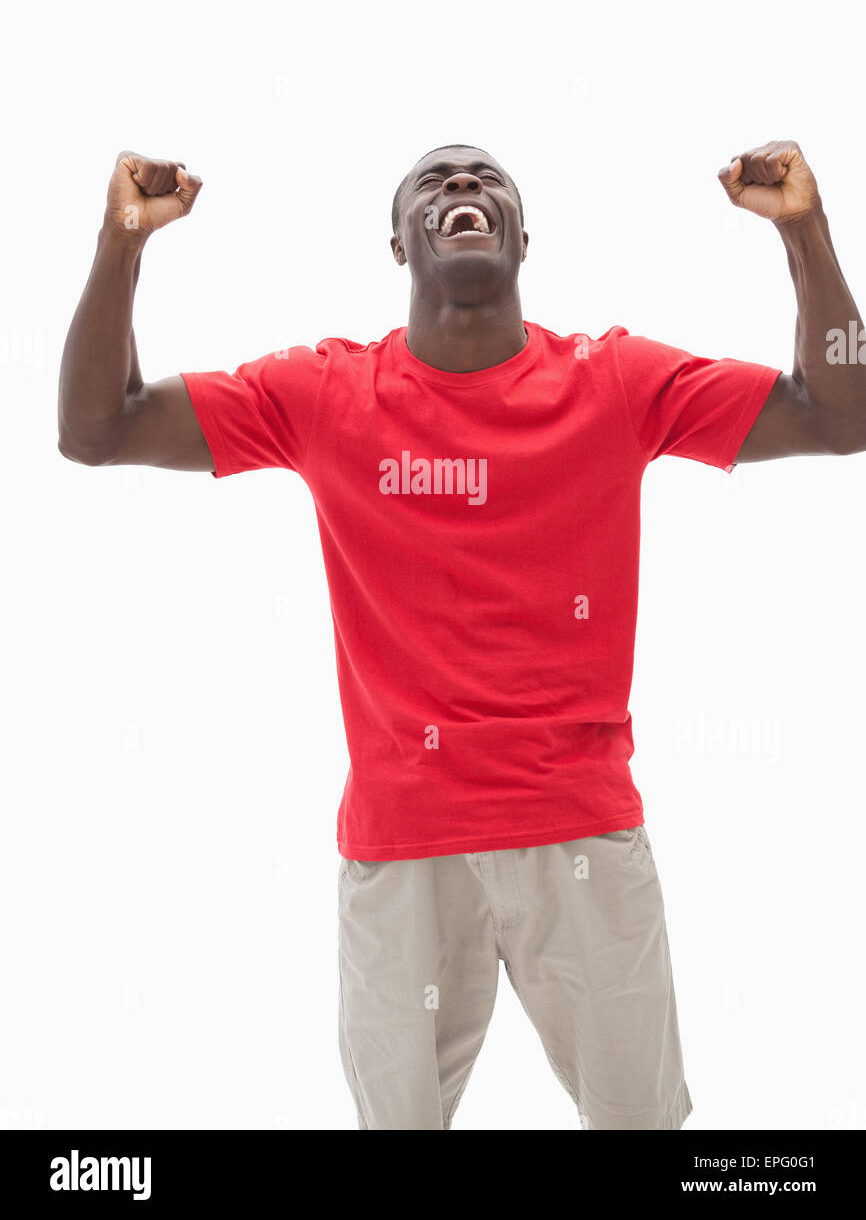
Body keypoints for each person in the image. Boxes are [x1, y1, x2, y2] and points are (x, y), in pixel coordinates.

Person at [58, 141, 864, 1131]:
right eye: (433, 183)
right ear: (397, 242)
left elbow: (840, 412)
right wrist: (120, 242)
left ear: (522, 237)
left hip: (580, 834)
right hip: (403, 847)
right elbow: (96, 428)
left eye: (485, 181)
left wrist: (802, 231)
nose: (461, 188)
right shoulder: (322, 395)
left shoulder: (611, 380)